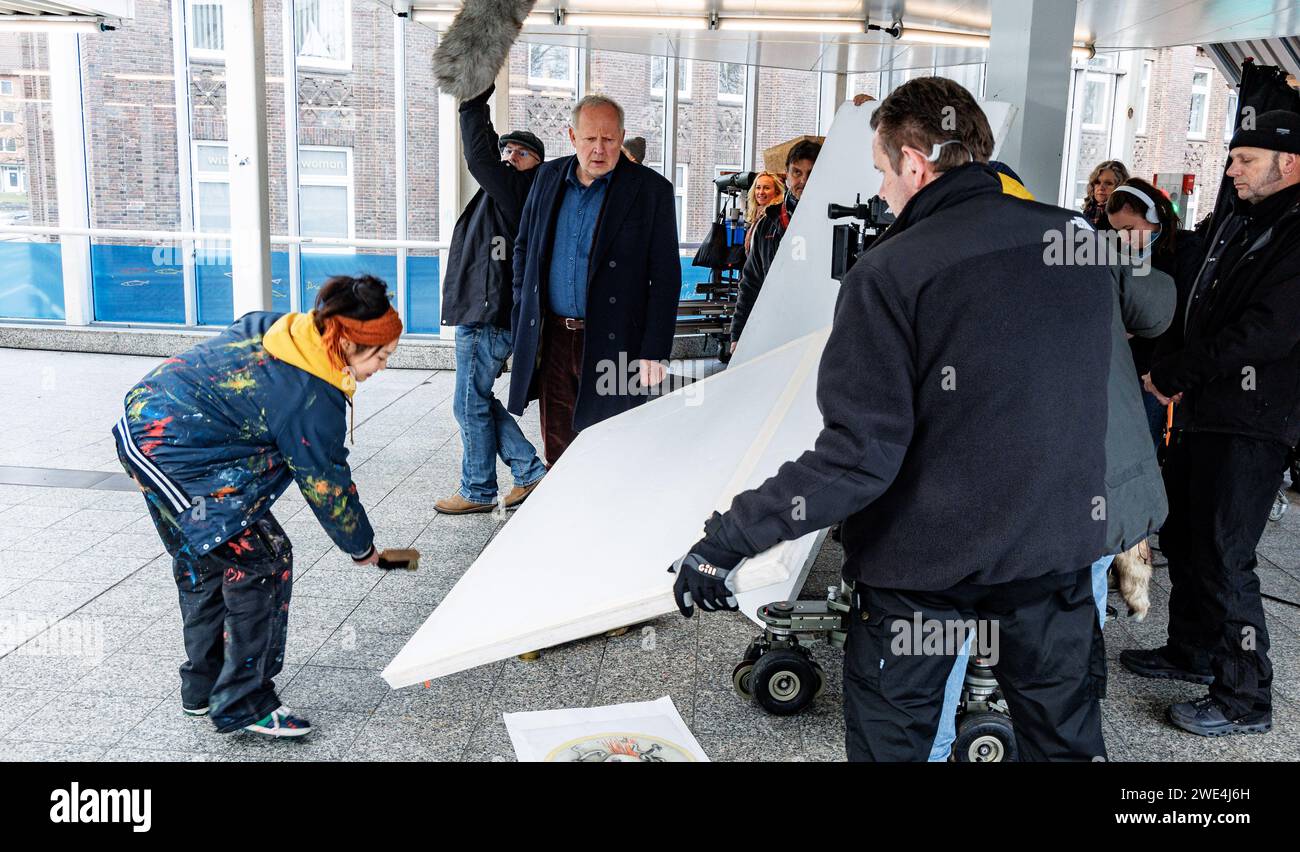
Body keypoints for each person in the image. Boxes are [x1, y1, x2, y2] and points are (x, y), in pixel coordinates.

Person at [671, 76, 1118, 762]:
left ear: (915, 163)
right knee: (1062, 739)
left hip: (925, 571)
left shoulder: (890, 271)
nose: (881, 192)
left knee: (897, 743)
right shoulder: (1078, 242)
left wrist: (729, 538)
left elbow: (858, 457)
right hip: (1053, 553)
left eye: (881, 171)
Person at [112, 275, 401, 738]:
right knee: (264, 560)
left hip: (153, 435)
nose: (384, 366)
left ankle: (204, 688)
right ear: (346, 342)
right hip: (174, 455)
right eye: (381, 355)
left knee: (207, 556)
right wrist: (362, 546)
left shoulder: (287, 331)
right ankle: (245, 702)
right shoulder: (309, 396)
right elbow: (325, 482)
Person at [1124, 109, 1300, 738]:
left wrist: (1177, 373)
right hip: (1206, 411)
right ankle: (1193, 650)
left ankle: (1245, 695)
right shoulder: (1246, 221)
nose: (1231, 170)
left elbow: (1266, 332)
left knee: (1227, 553)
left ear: (1290, 163)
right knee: (1189, 536)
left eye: (1244, 161)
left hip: (1252, 419)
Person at [507, 94, 682, 465]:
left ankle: (611, 518)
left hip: (616, 342)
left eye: (608, 139)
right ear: (572, 137)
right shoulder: (547, 178)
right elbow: (524, 249)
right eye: (589, 139)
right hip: (553, 338)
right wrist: (522, 311)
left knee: (614, 445)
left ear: (621, 137)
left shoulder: (651, 191)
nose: (599, 149)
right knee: (557, 445)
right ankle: (565, 518)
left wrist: (655, 350)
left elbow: (666, 277)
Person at [435, 83, 549, 516]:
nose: (510, 157)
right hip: (487, 313)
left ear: (537, 164)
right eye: (508, 151)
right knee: (475, 400)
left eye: (522, 153)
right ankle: (528, 472)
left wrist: (473, 103)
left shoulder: (522, 189)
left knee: (468, 403)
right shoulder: (507, 193)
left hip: (489, 317)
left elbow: (479, 154)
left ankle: (480, 488)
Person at [1105, 177, 1205, 446]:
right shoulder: (1120, 251)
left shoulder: (1187, 250)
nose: (1124, 237)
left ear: (1153, 214)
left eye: (1129, 228)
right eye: (1117, 232)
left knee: (1140, 443)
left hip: (1157, 366)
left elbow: (1183, 310)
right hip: (1125, 365)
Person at [729, 139, 821, 352]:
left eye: (812, 173)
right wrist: (738, 334)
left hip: (814, 330)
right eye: (797, 173)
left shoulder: (834, 223)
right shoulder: (768, 224)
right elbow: (751, 282)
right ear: (787, 175)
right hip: (774, 328)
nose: (804, 181)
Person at [743, 171, 785, 253]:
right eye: (758, 187)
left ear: (777, 191)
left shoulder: (774, 217)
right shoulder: (759, 215)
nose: (761, 192)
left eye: (766, 188)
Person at [1082, 159, 1130, 229]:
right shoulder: (1089, 209)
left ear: (1120, 187)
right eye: (1097, 182)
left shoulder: (1125, 215)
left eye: (1108, 183)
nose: (1101, 188)